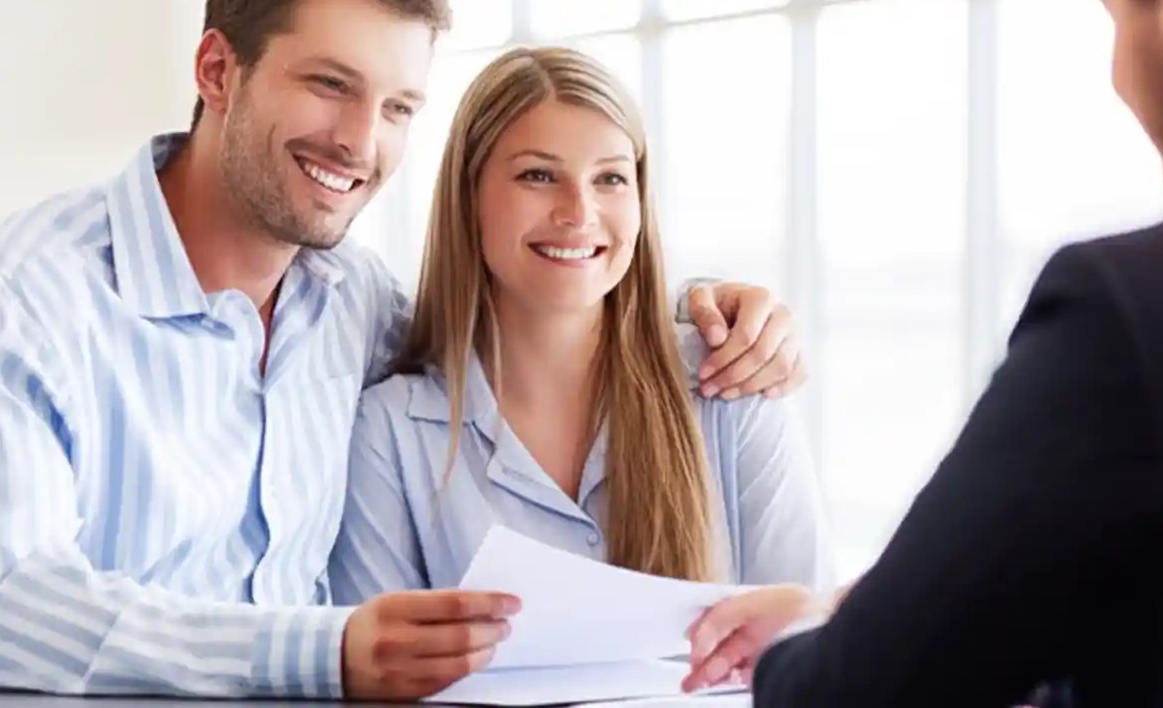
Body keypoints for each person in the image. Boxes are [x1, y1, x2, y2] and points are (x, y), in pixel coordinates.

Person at [0, 0, 808, 702]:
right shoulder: (20, 294)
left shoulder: (354, 304)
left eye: (398, 107)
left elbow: (531, 303)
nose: (361, 140)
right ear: (217, 68)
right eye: (330, 85)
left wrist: (707, 305)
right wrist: (326, 650)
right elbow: (2, 613)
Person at [683, 0, 1163, 705]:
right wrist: (839, 616)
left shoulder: (1132, 308)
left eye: (1113, 12)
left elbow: (863, 691)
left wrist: (813, 646)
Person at [332, 47, 834, 611]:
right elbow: (382, 678)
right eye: (538, 175)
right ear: (468, 197)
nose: (579, 212)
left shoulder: (732, 388)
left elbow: (807, 635)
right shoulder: (390, 433)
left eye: (611, 179)